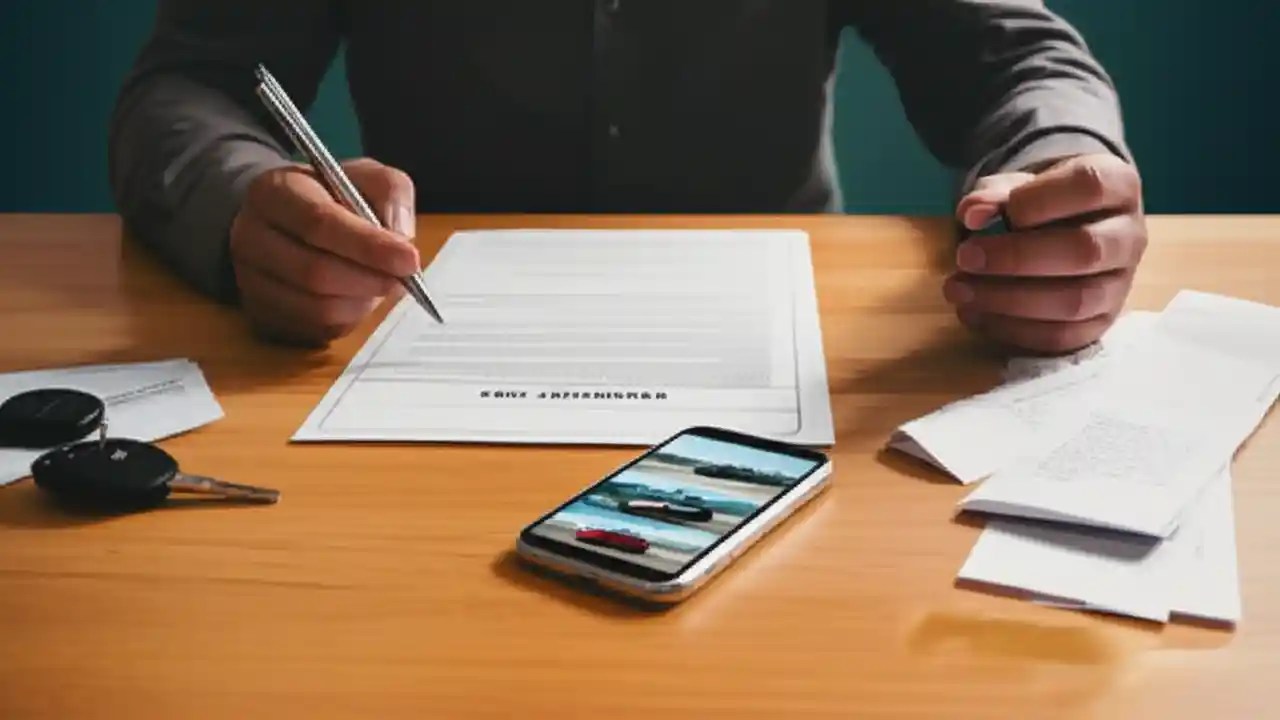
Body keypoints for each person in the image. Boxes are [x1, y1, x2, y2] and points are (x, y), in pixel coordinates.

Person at [109, 1, 1146, 353]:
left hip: (790, 365)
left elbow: (1018, 60)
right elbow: (190, 85)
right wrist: (242, 201)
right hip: (406, 347)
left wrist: (1058, 173)